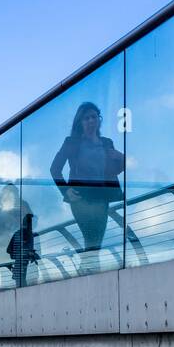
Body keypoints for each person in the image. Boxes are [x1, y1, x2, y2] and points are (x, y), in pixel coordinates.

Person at [50, 101, 124, 273]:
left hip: (102, 196)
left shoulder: (107, 143)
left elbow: (115, 170)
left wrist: (121, 157)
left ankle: (87, 271)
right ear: (80, 122)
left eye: (94, 117)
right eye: (86, 118)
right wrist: (65, 190)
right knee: (91, 237)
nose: (91, 121)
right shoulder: (71, 142)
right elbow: (55, 168)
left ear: (99, 120)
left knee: (96, 239)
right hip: (80, 197)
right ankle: (90, 271)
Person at [6, 212, 41, 288]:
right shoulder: (30, 234)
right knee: (24, 286)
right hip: (26, 265)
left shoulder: (17, 233)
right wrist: (31, 254)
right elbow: (28, 250)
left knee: (20, 285)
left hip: (19, 264)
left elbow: (8, 250)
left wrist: (17, 254)